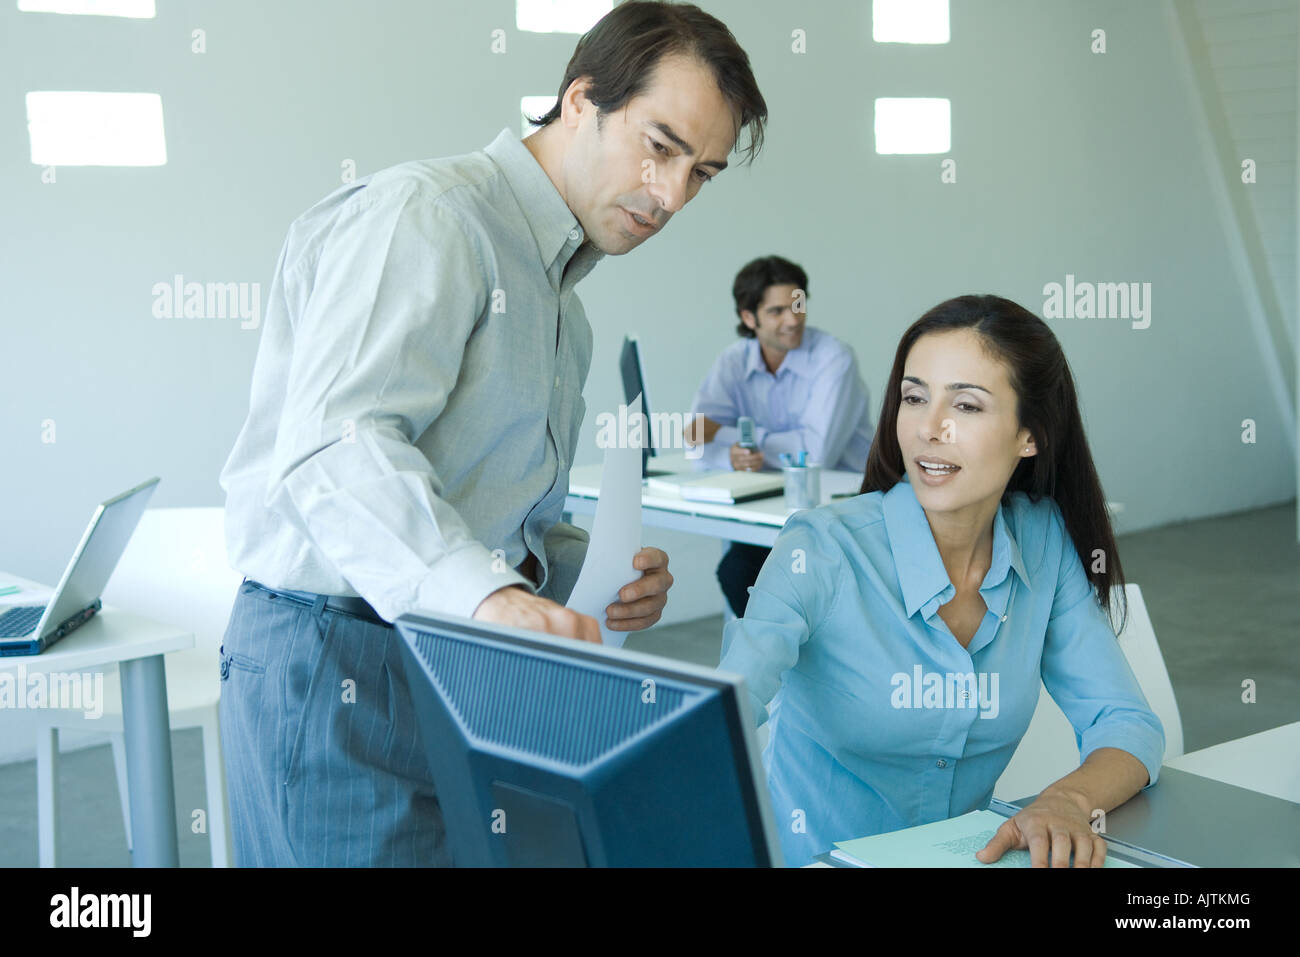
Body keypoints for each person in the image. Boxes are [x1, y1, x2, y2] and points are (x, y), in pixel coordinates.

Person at [216, 0, 767, 866]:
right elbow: (338, 443)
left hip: (454, 659)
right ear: (580, 99)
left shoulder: (562, 307)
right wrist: (482, 595)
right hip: (337, 654)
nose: (671, 196)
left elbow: (498, 508)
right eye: (660, 147)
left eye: (700, 172)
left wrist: (590, 569)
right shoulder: (429, 215)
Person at [719, 294, 1164, 867]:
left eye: (968, 406)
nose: (930, 428)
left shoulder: (1042, 539)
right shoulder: (821, 548)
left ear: (1031, 435)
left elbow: (1125, 721)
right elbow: (722, 716)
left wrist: (1066, 801)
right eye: (914, 397)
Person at [685, 255, 873, 616]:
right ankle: (773, 662)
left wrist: (739, 437)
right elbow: (693, 434)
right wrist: (730, 455)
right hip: (770, 506)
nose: (793, 319)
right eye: (777, 311)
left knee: (757, 574)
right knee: (738, 572)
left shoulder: (834, 359)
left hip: (838, 509)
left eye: (798, 305)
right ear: (748, 317)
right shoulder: (733, 361)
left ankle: (790, 663)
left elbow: (814, 454)